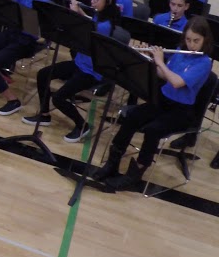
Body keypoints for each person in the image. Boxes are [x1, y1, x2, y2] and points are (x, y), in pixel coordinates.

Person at [91, 18, 213, 191]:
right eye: (188, 39)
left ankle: (135, 174)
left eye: (196, 41)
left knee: (153, 130)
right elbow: (163, 75)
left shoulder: (204, 63)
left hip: (182, 111)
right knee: (131, 117)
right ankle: (112, 163)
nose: (191, 44)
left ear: (205, 40)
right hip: (163, 100)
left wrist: (161, 62)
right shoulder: (180, 51)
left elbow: (177, 82)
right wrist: (149, 60)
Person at [23, 0, 120, 142]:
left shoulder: (105, 25)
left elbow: (84, 32)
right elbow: (89, 22)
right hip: (79, 63)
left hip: (91, 72)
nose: (92, 2)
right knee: (43, 74)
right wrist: (79, 10)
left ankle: (82, 125)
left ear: (108, 1)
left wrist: (73, 15)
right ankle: (45, 114)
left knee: (59, 98)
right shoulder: (99, 14)